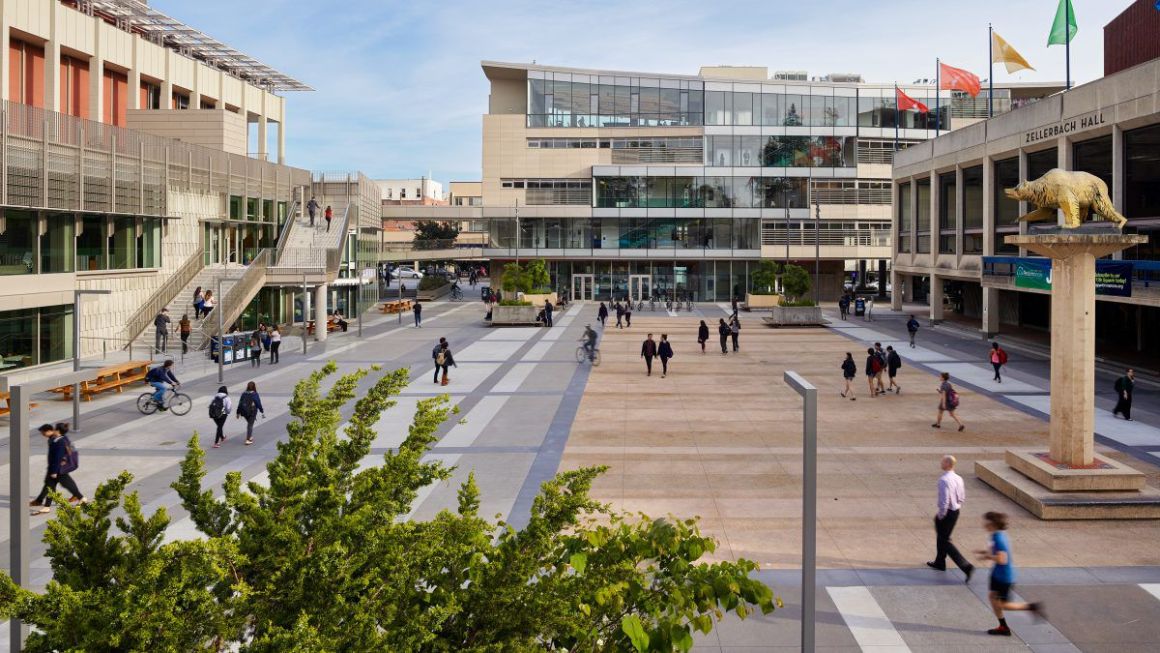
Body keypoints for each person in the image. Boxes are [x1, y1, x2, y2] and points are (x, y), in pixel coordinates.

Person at [975, 511, 1043, 636]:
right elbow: (998, 553)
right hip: (997, 574)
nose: (984, 524)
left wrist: (987, 556)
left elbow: (1002, 559)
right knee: (993, 597)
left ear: (993, 524)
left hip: (1004, 577)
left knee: (1002, 604)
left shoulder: (999, 538)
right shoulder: (997, 534)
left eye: (987, 522)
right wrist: (985, 553)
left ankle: (1030, 607)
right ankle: (1003, 626)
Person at [926, 455, 974, 581]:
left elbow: (944, 500)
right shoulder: (959, 478)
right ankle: (940, 562)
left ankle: (966, 566)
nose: (940, 463)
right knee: (942, 537)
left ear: (947, 464)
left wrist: (941, 515)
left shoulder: (944, 480)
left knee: (944, 540)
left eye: (942, 461)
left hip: (947, 513)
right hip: (956, 511)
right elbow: (962, 497)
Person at [30, 423, 86, 514]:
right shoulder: (61, 439)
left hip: (58, 469)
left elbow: (57, 458)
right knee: (51, 486)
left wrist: (54, 471)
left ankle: (81, 498)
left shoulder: (59, 442)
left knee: (61, 485)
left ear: (58, 431)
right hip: (57, 468)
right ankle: (46, 505)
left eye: (55, 429)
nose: (54, 430)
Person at [236, 381, 266, 446]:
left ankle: (250, 436)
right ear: (254, 387)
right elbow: (258, 403)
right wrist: (261, 410)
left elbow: (240, 403)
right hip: (252, 411)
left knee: (250, 423)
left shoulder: (243, 394)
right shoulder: (254, 394)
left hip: (244, 411)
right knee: (250, 425)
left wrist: (238, 412)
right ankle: (248, 439)